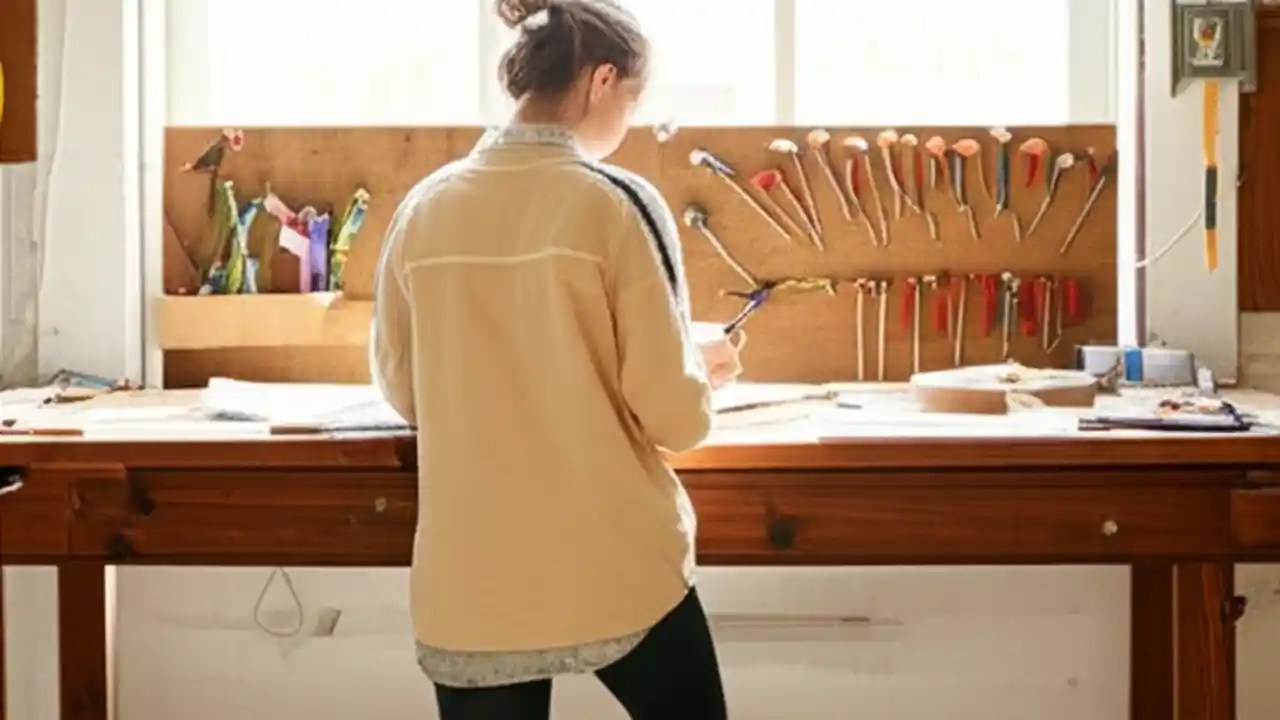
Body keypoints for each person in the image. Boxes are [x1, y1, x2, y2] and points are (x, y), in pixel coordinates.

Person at [370, 1, 742, 717]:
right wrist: (700, 369)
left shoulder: (425, 208)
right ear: (603, 81)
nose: (625, 125)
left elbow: (403, 388)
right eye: (631, 103)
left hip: (474, 587)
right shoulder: (617, 203)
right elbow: (677, 420)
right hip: (616, 569)